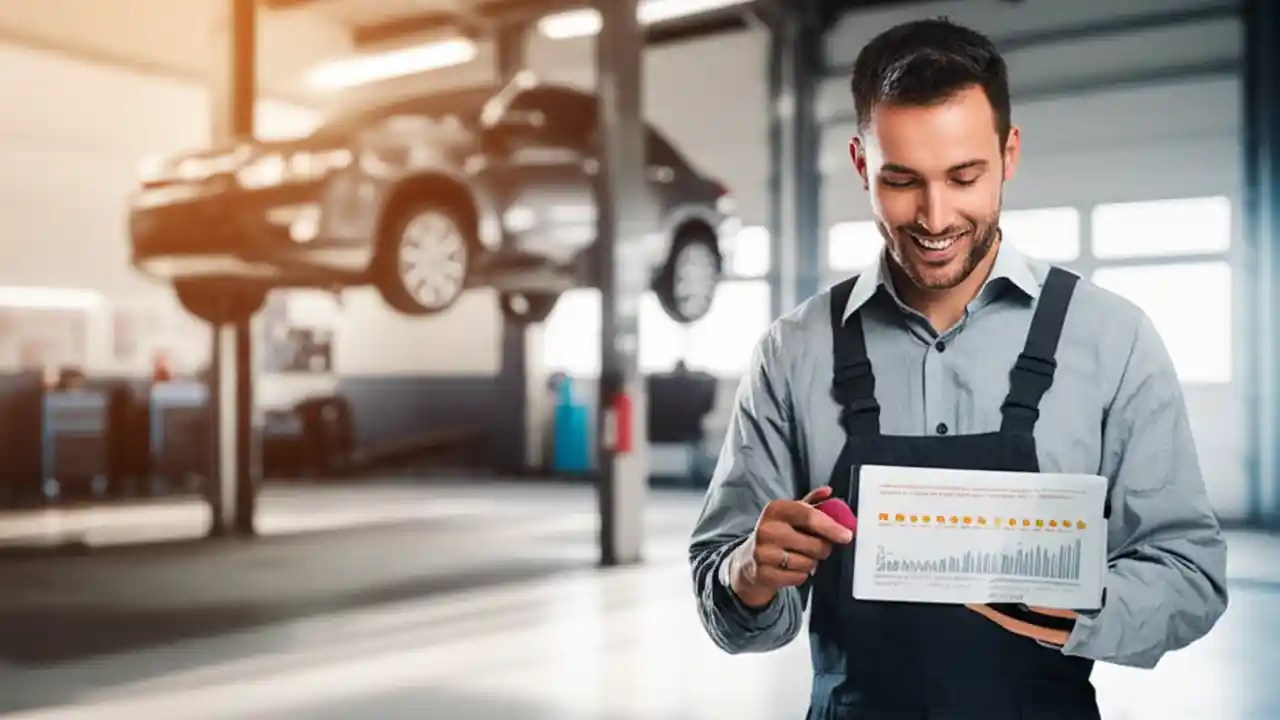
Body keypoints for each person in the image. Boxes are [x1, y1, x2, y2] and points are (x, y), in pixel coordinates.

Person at [688, 18, 1228, 720]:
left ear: (1009, 154)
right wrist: (751, 574)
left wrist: (1084, 597)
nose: (935, 217)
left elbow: (1191, 575)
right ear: (861, 164)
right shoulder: (792, 353)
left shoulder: (1112, 340)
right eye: (902, 180)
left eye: (964, 176)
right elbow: (724, 594)